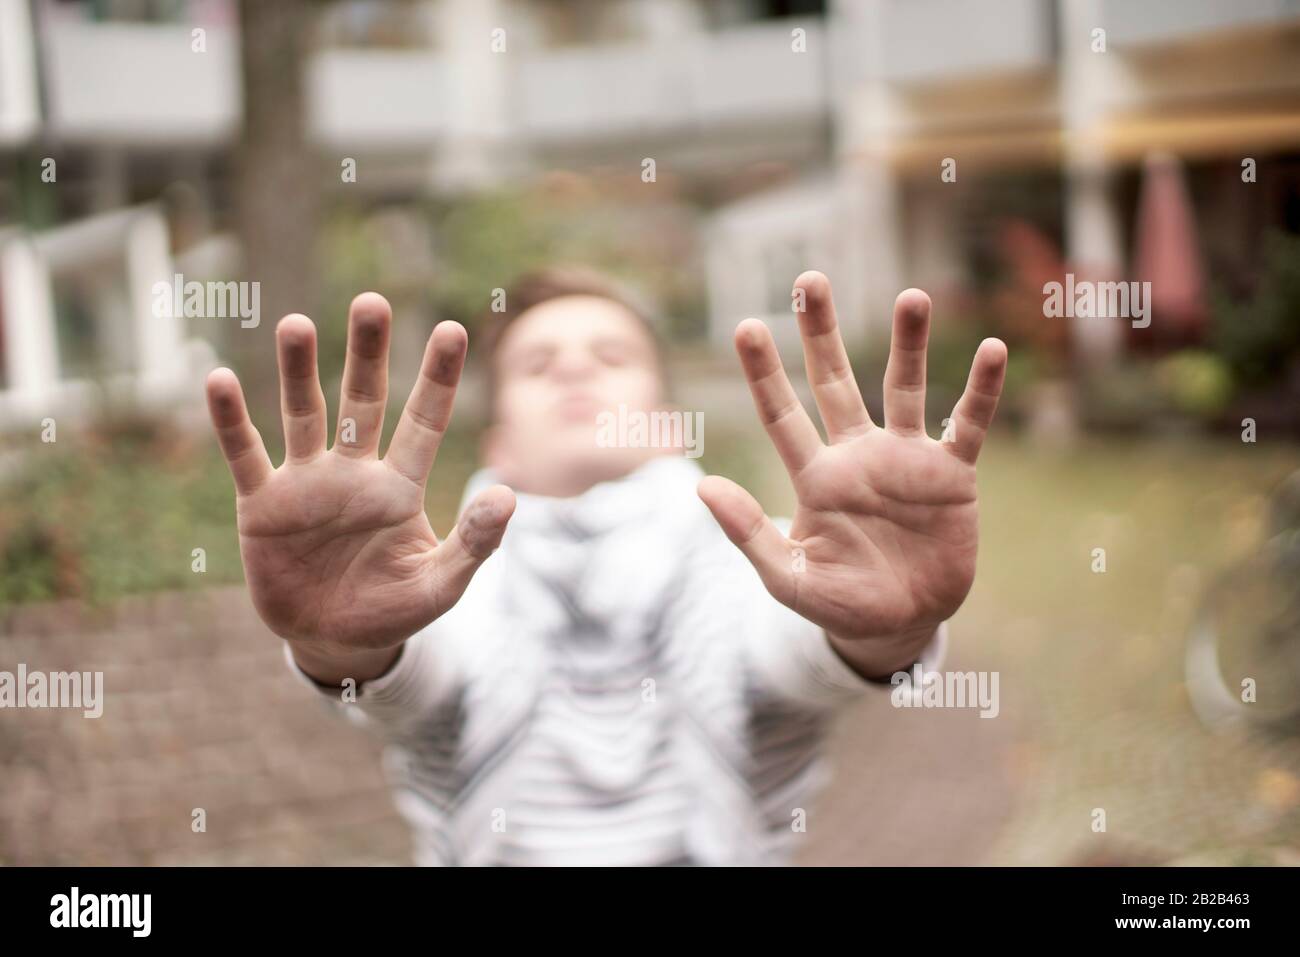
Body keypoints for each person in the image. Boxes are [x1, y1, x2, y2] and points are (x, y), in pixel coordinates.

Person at [204, 268, 1007, 865]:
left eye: (611, 354)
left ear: (666, 423)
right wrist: (339, 645)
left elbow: (793, 661)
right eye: (537, 364)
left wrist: (890, 628)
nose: (576, 370)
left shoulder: (746, 553)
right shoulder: (443, 574)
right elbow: (417, 683)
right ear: (499, 445)